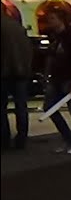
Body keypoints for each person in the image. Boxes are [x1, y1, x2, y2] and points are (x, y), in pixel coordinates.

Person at [43, 10, 71, 154]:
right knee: (49, 107)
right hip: (57, 78)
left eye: (52, 18)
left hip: (69, 78)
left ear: (61, 20)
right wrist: (46, 75)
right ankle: (68, 138)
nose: (49, 21)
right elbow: (50, 57)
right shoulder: (54, 37)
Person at [1, 10, 32, 150]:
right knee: (21, 107)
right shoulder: (18, 27)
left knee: (2, 108)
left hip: (4, 73)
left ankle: (4, 139)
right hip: (21, 73)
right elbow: (28, 50)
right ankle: (22, 138)